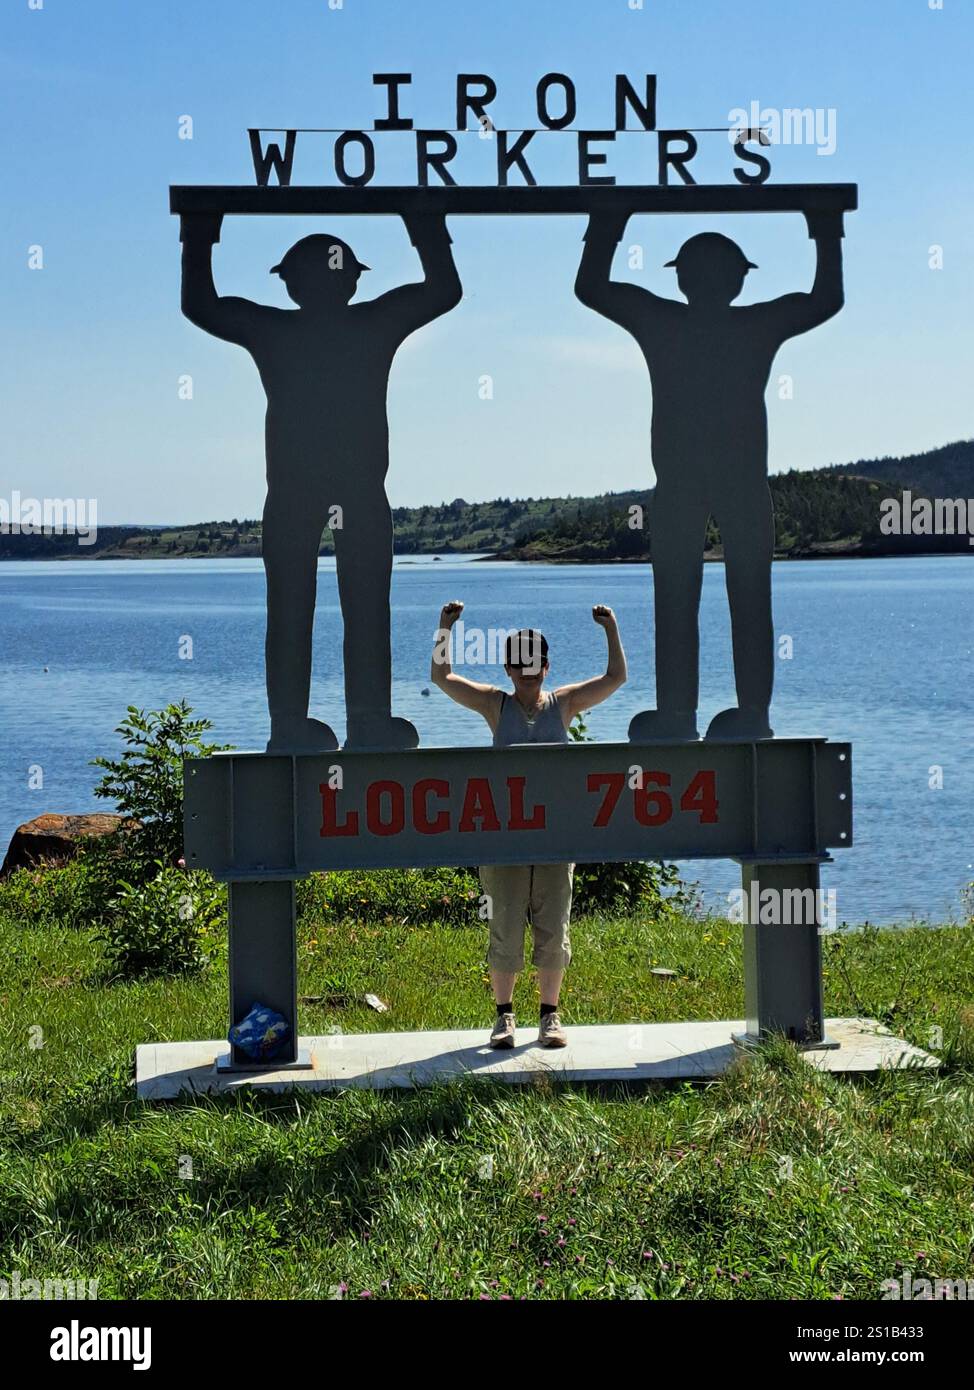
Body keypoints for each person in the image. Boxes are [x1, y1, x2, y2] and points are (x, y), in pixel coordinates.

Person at [180, 212, 462, 752]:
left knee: (293, 607)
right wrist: (421, 221)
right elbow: (443, 288)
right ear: (351, 279)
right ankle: (366, 721)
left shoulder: (274, 328)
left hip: (295, 492)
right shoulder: (372, 322)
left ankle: (296, 724)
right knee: (363, 607)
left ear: (290, 282)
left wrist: (200, 232)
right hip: (355, 492)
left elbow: (202, 304)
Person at [575, 210, 845, 741]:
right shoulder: (755, 323)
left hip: (685, 482)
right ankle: (743, 714)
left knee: (680, 597)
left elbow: (592, 285)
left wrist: (611, 221)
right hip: (737, 481)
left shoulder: (663, 320)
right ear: (741, 278)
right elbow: (825, 298)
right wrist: (824, 228)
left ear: (682, 277)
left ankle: (682, 714)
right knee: (747, 597)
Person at [430, 601, 627, 1048]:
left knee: (554, 927)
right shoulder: (495, 706)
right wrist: (445, 627)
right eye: (519, 662)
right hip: (505, 841)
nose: (528, 670)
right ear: (507, 668)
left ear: (546, 664)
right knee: (504, 926)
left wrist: (610, 628)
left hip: (556, 841)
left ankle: (550, 1017)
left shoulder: (565, 703)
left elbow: (616, 678)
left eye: (535, 661)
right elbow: (442, 679)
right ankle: (504, 1018)